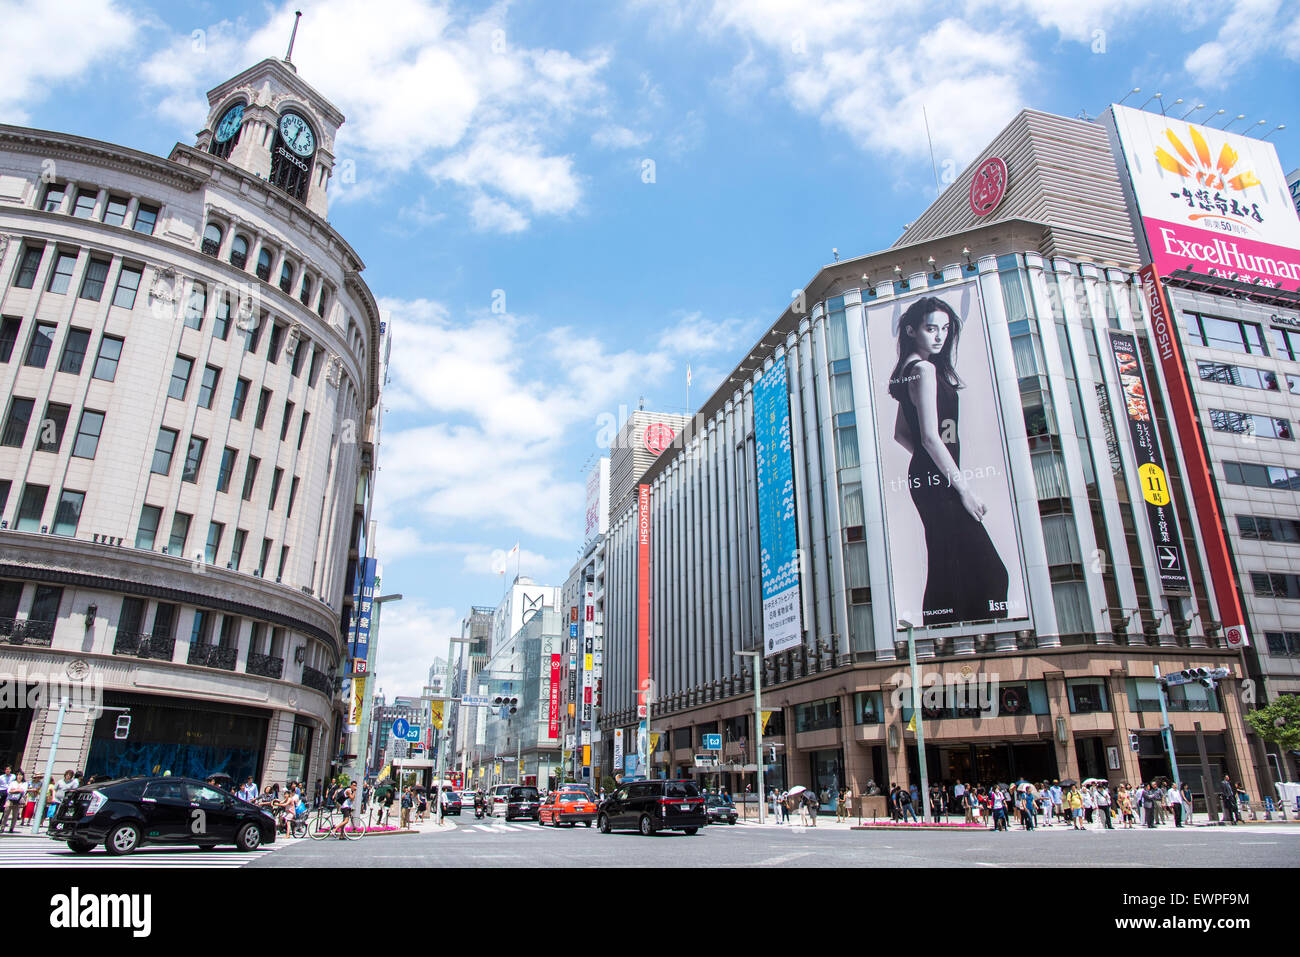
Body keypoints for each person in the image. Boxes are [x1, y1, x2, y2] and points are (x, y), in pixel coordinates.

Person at [887, 295, 1010, 627]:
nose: (939, 336)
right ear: (911, 330)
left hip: (929, 477)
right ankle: (978, 638)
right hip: (939, 483)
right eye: (931, 329)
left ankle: (939, 637)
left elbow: (901, 433)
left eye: (944, 329)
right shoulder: (924, 370)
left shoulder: (909, 371)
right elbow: (928, 436)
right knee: (991, 572)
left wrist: (930, 465)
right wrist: (963, 488)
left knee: (947, 561)